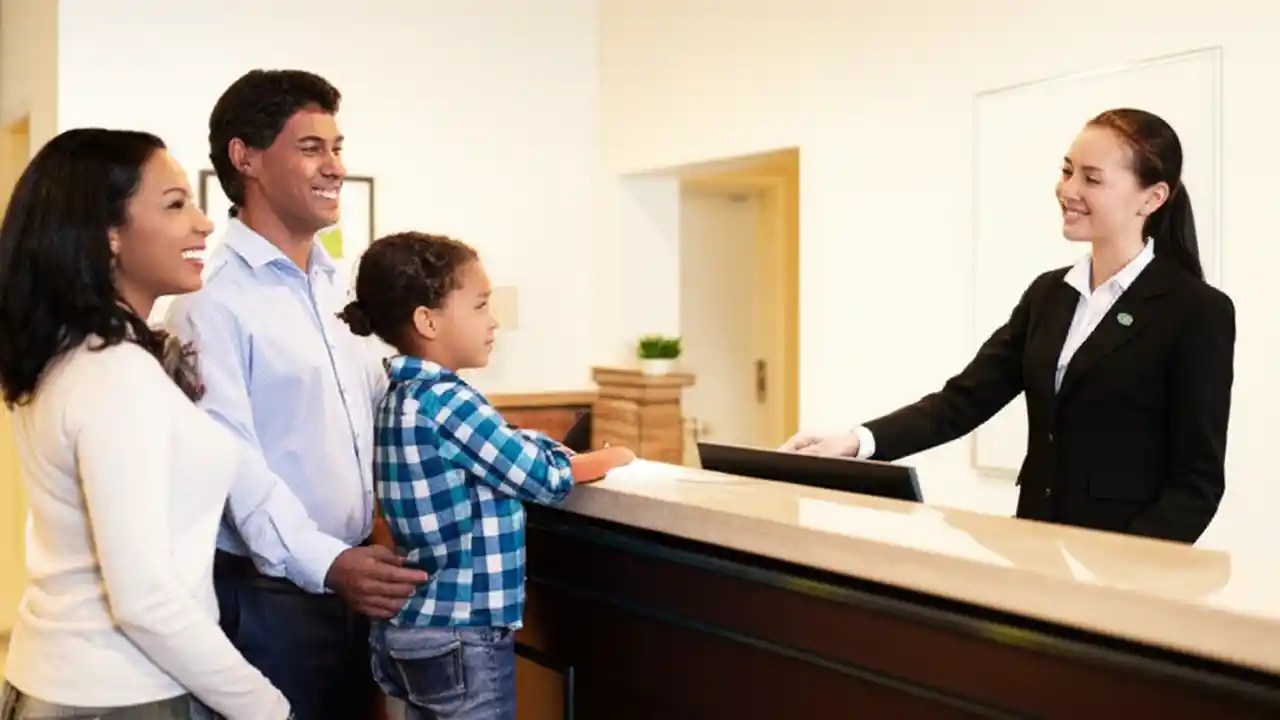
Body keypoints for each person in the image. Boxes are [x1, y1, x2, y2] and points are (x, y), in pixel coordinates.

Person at [782, 108, 1234, 544]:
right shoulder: (1049, 295)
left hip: (1121, 571)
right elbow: (962, 402)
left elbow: (1197, 483)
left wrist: (1126, 570)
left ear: (1152, 198)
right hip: (1037, 550)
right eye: (1067, 170)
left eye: (1092, 178)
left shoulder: (1195, 310)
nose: (1068, 189)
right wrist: (857, 442)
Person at [164, 70, 427, 718]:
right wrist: (332, 562)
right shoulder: (208, 304)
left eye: (338, 148)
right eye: (312, 147)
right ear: (244, 157)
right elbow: (234, 466)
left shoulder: (337, 287)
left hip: (356, 589)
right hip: (267, 605)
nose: (334, 166)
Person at [0, 129, 290, 718]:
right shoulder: (113, 376)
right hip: (121, 693)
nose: (205, 224)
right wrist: (265, 707)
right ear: (109, 236)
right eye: (175, 204)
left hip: (62, 678)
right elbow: (144, 597)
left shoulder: (71, 355)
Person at [338, 232, 634, 719]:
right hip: (463, 635)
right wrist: (611, 458)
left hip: (417, 631)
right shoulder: (447, 400)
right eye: (479, 306)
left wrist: (544, 446)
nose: (494, 320)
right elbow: (542, 477)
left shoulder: (399, 395)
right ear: (427, 320)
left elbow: (504, 443)